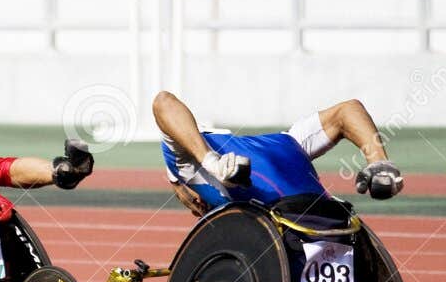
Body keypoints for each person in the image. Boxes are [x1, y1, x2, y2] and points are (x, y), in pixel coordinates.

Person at [151, 90, 403, 215]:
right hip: (316, 213)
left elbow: (163, 102)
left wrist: (210, 163)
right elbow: (348, 111)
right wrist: (378, 161)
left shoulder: (182, 163)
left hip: (288, 217)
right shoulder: (289, 141)